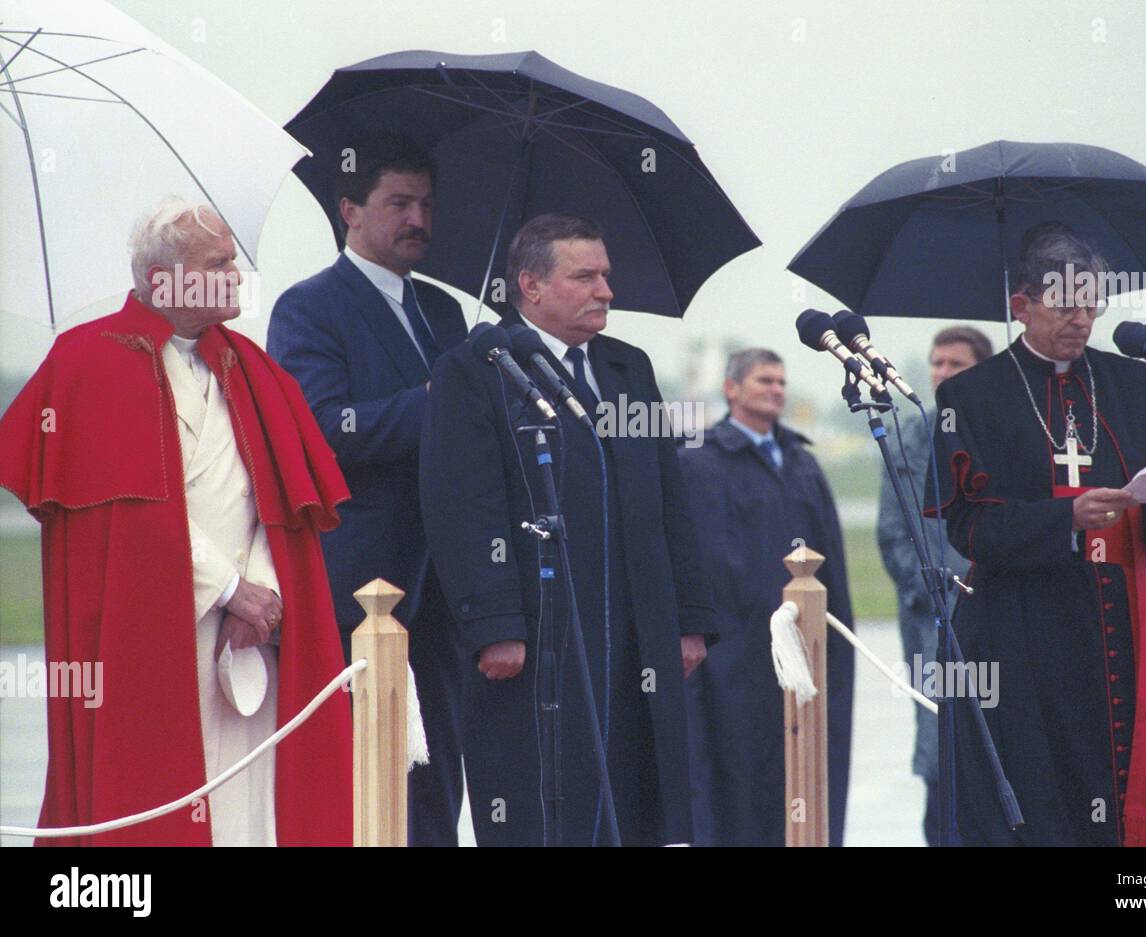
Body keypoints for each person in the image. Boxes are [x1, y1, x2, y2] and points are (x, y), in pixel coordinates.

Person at [0, 198, 351, 845]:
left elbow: (277, 502)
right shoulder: (89, 363)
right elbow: (126, 515)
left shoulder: (252, 366)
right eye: (219, 264)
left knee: (246, 802)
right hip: (150, 628)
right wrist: (225, 587)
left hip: (248, 637)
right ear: (166, 279)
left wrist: (261, 593)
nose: (237, 277)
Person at [925, 221, 1146, 846]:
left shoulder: (1137, 383)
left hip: (1124, 620)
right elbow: (968, 526)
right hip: (1020, 632)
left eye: (1091, 303)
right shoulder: (970, 395)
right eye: (1065, 304)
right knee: (1040, 797)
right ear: (1022, 305)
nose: (1081, 319)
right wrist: (1066, 518)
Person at [421, 212, 715, 846]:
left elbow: (669, 499)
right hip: (535, 634)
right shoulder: (477, 370)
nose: (606, 291)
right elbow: (462, 508)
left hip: (633, 629)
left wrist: (687, 618)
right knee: (543, 801)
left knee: (632, 802)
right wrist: (494, 626)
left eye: (606, 275)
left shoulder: (627, 370)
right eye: (585, 277)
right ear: (530, 284)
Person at [268, 134, 468, 846]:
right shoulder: (308, 308)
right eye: (398, 203)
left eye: (426, 204)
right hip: (358, 583)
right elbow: (320, 429)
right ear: (348, 208)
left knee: (438, 766)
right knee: (364, 766)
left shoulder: (446, 314)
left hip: (446, 580)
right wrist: (435, 401)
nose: (417, 218)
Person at [678, 348, 854, 846]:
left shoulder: (802, 464)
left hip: (805, 645)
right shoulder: (699, 462)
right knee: (736, 769)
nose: (776, 389)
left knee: (804, 766)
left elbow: (833, 566)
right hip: (734, 651)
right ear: (731, 388)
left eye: (781, 381)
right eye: (763, 380)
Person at [878, 326, 991, 845]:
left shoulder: (1006, 434)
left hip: (998, 616)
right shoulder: (905, 435)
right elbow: (891, 533)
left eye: (957, 364)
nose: (943, 373)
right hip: (934, 623)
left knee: (1003, 752)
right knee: (940, 754)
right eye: (937, 363)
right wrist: (926, 593)